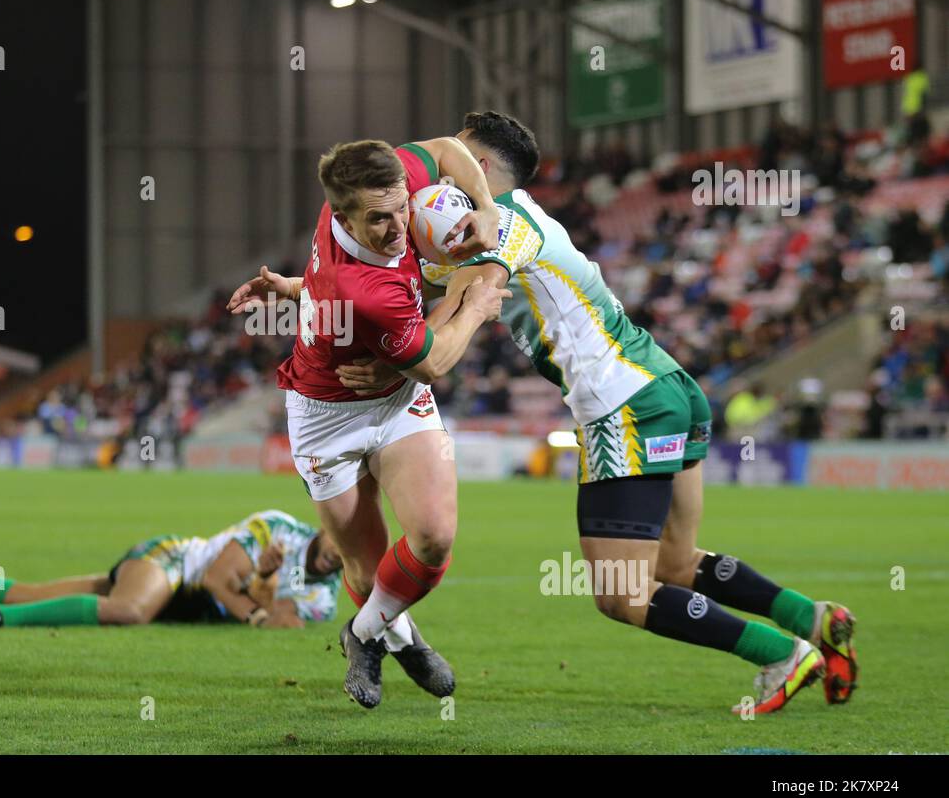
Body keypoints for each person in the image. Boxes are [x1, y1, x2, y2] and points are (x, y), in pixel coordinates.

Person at [338, 112, 858, 714]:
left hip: (623, 405)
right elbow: (432, 278)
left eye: (454, 152)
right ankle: (813, 619)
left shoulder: (499, 225)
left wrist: (394, 360)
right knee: (676, 562)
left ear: (476, 169)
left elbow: (454, 309)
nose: (437, 164)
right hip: (667, 387)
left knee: (621, 592)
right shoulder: (523, 220)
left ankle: (781, 654)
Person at [228, 136, 510, 708]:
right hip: (325, 415)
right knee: (362, 563)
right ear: (344, 217)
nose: (399, 225)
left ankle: (360, 635)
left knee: (433, 536)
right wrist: (477, 308)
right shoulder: (364, 290)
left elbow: (449, 148)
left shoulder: (377, 186)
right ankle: (400, 638)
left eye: (403, 207)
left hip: (393, 400)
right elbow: (432, 362)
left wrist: (483, 205)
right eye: (379, 220)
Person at [0, 510, 342, 630]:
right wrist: (256, 605)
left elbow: (279, 619)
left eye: (354, 551)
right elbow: (216, 579)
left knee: (30, 590)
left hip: (180, 599)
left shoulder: (329, 595)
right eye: (345, 538)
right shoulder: (278, 527)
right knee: (129, 610)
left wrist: (261, 586)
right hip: (171, 564)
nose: (342, 555)